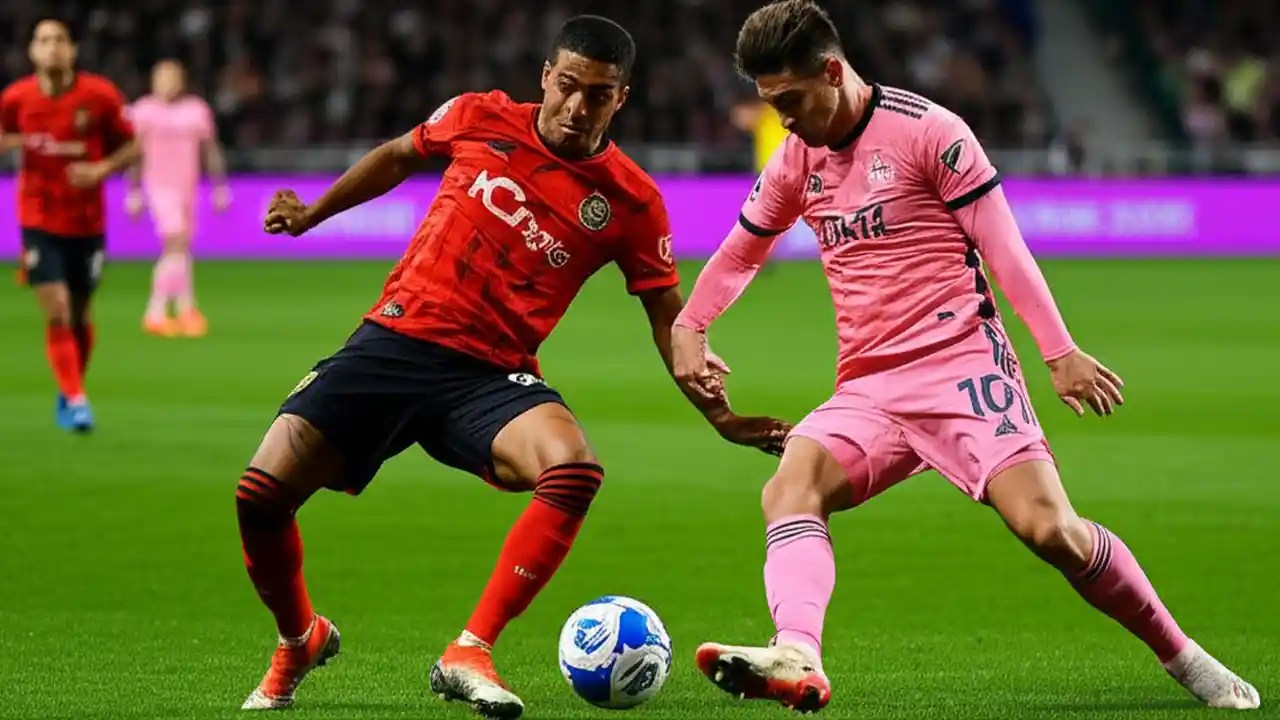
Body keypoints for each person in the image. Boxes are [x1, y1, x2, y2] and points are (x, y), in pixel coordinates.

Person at [671, 0, 1259, 713]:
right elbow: (741, 252)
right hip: (869, 385)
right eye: (772, 104)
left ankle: (1184, 656)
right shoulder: (797, 160)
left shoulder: (930, 132)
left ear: (831, 72)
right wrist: (692, 325)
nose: (784, 119)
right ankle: (796, 653)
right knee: (790, 487)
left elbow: (1003, 248)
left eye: (790, 99)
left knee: (1051, 531)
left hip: (963, 367)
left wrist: (1059, 352)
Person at [235, 14, 789, 719]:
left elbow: (667, 316)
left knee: (574, 468)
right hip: (394, 341)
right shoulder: (479, 115)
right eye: (568, 85)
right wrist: (313, 214)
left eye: (599, 94)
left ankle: (470, 650)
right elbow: (399, 155)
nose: (578, 106)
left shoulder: (631, 200)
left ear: (621, 98)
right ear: (546, 77)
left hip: (490, 374)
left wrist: (722, 418)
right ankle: (299, 639)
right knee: (259, 495)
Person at [0, 18, 138, 433]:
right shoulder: (16, 98)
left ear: (73, 49)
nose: (52, 47)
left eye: (60, 39)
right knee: (57, 309)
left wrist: (101, 169)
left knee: (79, 311)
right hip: (38, 218)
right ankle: (77, 399)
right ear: (31, 51)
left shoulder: (99, 96)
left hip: (86, 221)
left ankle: (70, 385)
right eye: (44, 40)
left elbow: (133, 145)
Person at [126, 58, 229, 337]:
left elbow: (211, 149)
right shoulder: (144, 110)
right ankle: (155, 311)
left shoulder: (196, 110)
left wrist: (220, 186)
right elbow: (134, 153)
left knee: (181, 249)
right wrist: (133, 191)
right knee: (176, 241)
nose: (167, 84)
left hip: (188, 188)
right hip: (158, 186)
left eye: (172, 78)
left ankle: (186, 308)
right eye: (161, 78)